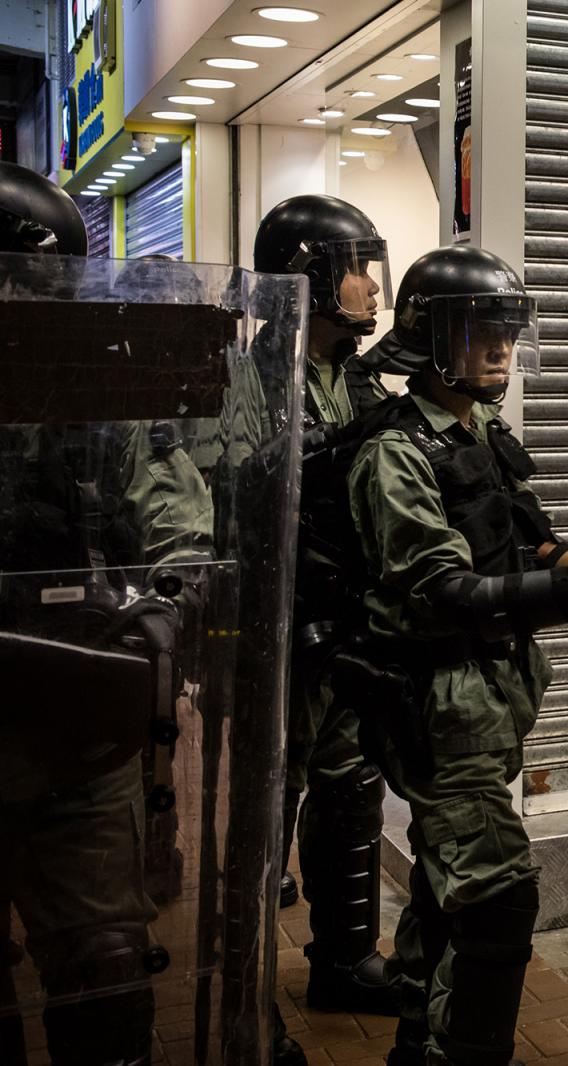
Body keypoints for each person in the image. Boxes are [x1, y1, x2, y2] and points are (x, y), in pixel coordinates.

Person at [340, 245, 568, 1065]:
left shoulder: (484, 433)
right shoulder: (396, 450)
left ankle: (417, 1042)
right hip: (438, 702)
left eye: (507, 327)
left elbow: (531, 551)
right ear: (431, 336)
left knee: (444, 886)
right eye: (480, 328)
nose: (500, 345)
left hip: (490, 699)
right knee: (498, 904)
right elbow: (447, 592)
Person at [0, 163, 208, 1063]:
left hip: (74, 730)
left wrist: (169, 606)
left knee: (107, 976)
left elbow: (178, 525)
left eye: (42, 289)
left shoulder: (95, 403)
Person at [251, 194, 402, 1014]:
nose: (372, 290)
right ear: (310, 278)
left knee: (351, 787)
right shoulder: (253, 376)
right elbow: (247, 491)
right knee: (265, 808)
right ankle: (243, 997)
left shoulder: (355, 379)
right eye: (356, 271)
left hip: (344, 623)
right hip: (275, 634)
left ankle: (343, 964)